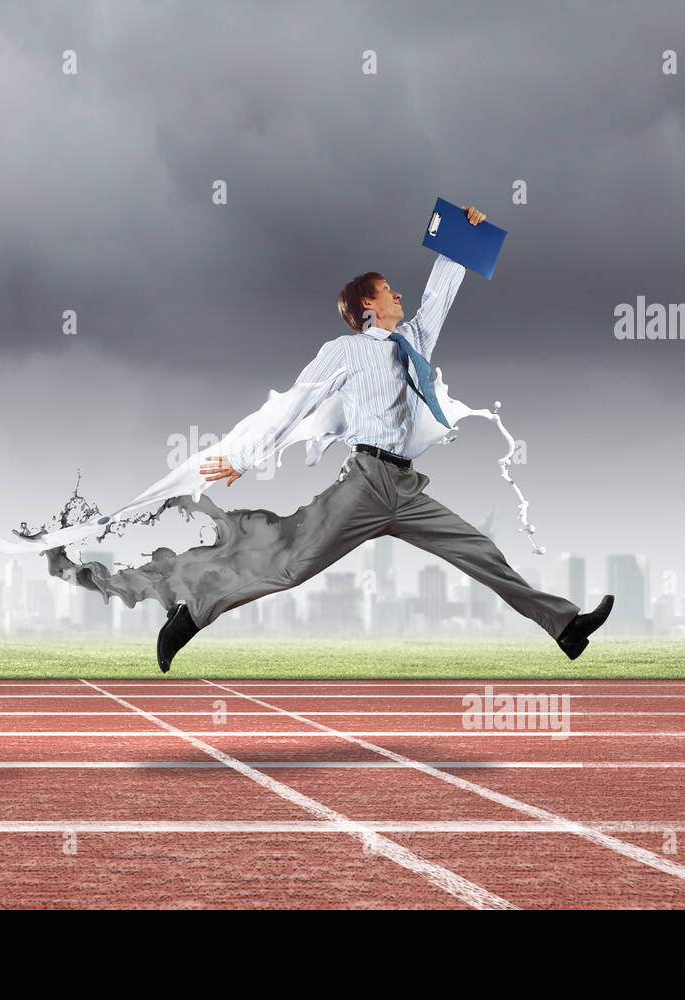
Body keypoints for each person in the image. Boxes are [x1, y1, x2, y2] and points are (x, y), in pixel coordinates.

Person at [154, 204, 613, 671]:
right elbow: (296, 402)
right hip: (364, 484)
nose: (398, 293)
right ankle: (191, 614)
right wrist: (245, 456)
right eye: (386, 290)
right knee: (291, 567)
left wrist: (460, 240)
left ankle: (566, 627)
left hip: (405, 488)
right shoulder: (344, 351)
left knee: (479, 551)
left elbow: (438, 298)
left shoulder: (413, 340)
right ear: (367, 306)